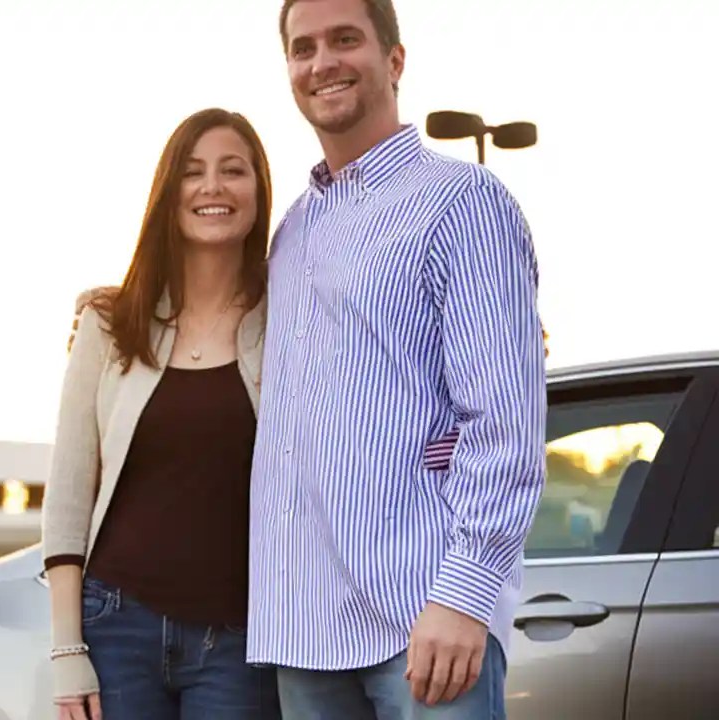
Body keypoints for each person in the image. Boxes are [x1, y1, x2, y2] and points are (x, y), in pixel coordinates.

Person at [247, 1, 548, 719]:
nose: (321, 63)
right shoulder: (291, 230)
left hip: (421, 619)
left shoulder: (461, 201)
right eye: (302, 48)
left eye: (344, 40)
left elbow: (504, 421)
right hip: (304, 633)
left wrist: (465, 594)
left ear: (395, 59)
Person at [41, 108, 282, 720]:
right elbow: (69, 495)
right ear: (168, 192)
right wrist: (67, 648)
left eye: (234, 171)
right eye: (193, 172)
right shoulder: (108, 322)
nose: (213, 187)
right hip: (118, 627)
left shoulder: (291, 322)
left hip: (241, 637)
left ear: (259, 191)